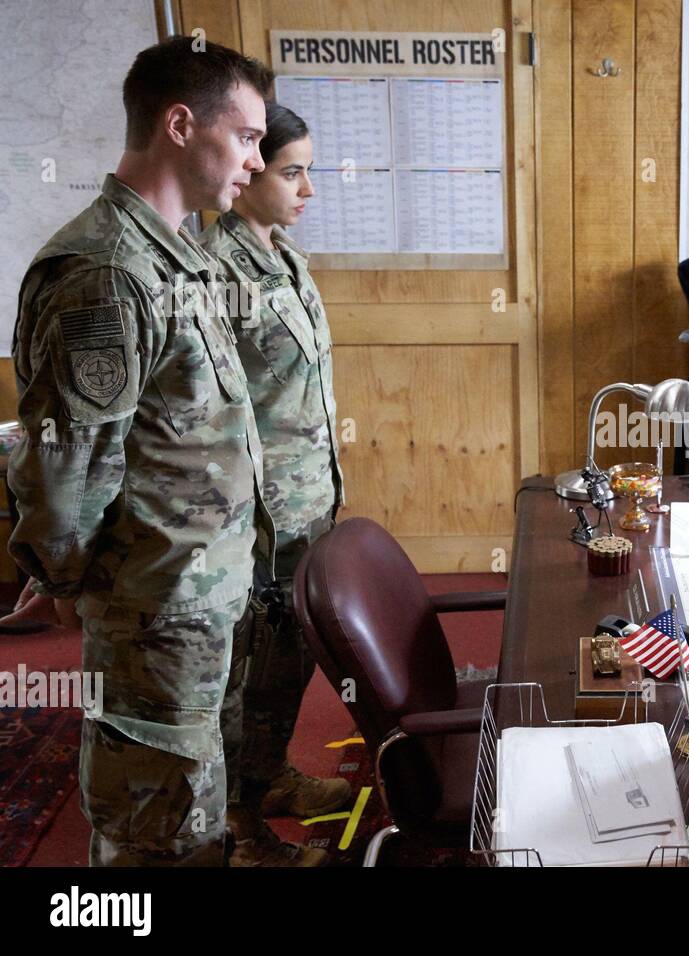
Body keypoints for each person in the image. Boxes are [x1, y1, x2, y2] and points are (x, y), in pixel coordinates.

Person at [6, 37, 275, 865]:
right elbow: (65, 467)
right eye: (250, 137)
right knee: (152, 839)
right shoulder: (105, 271)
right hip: (151, 612)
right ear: (183, 124)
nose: (257, 163)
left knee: (193, 814)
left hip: (200, 598)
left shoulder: (180, 253)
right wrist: (61, 581)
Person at [200, 103, 347, 866]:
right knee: (245, 672)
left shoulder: (282, 256)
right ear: (251, 173)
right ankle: (241, 829)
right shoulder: (215, 272)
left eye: (307, 171)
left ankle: (269, 777)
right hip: (255, 516)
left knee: (292, 658)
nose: (307, 189)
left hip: (306, 505)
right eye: (293, 172)